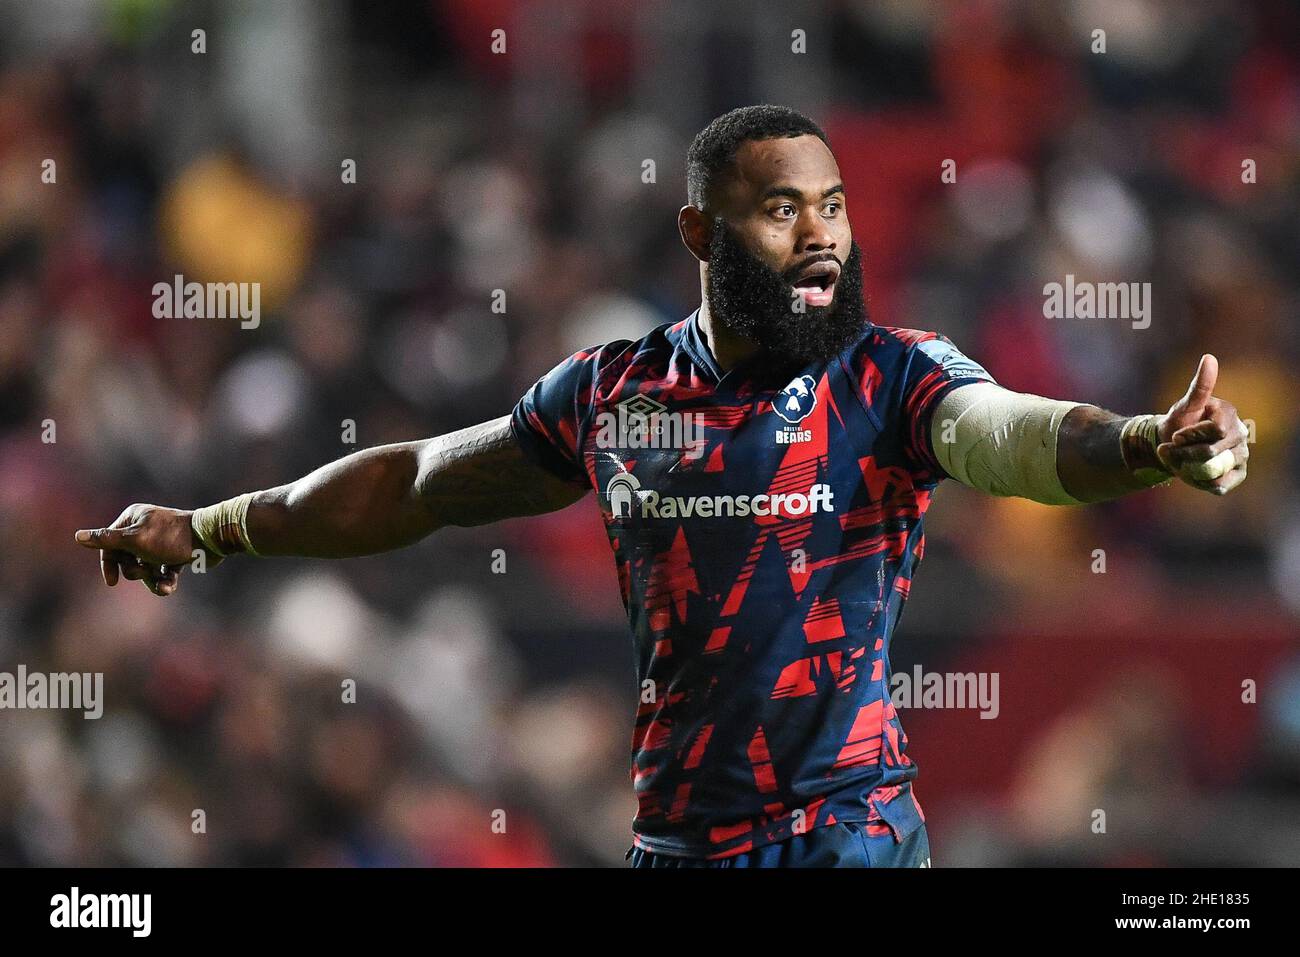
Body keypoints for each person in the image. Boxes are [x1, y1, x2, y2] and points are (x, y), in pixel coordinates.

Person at [75, 105, 1249, 868]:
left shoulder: (889, 379)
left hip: (847, 839)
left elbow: (1015, 438)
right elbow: (419, 484)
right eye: (780, 209)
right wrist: (216, 527)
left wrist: (1144, 442)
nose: (820, 236)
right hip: (678, 844)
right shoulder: (613, 394)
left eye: (832, 205)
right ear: (700, 228)